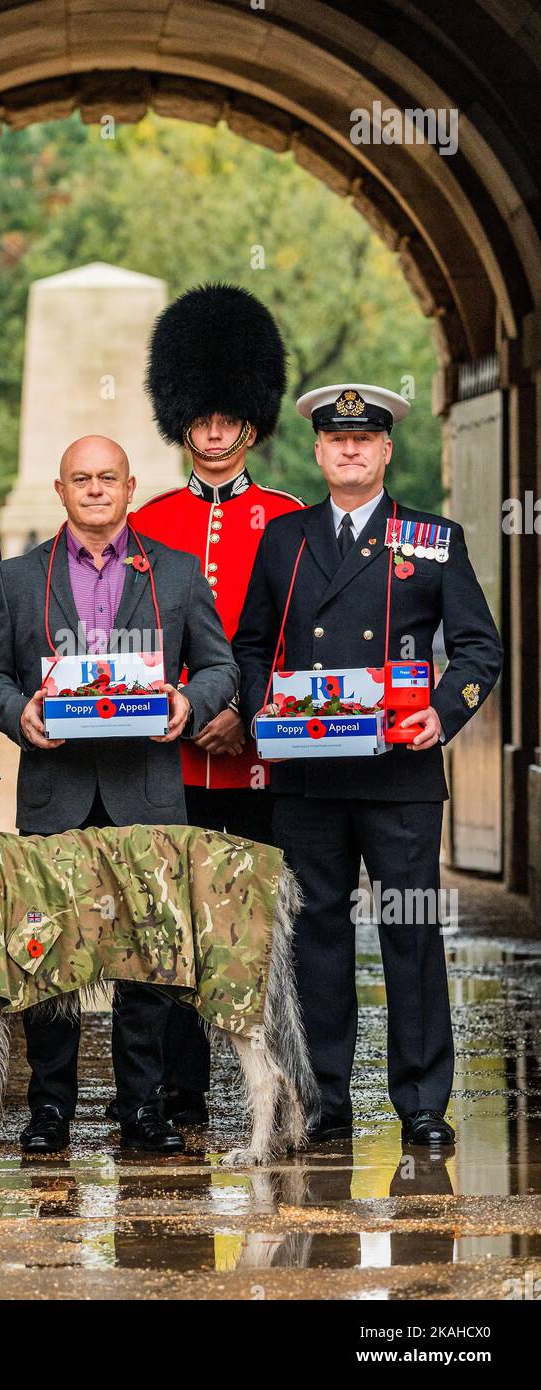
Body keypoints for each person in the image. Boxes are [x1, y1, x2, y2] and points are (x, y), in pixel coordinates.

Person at [233, 384, 503, 1147]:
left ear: (386, 451)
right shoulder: (284, 539)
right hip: (308, 776)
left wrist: (443, 712)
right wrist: (260, 709)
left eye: (365, 439)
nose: (350, 450)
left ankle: (421, 1103)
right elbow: (252, 646)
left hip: (399, 774)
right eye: (336, 440)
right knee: (315, 936)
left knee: (411, 933)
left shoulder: (432, 537)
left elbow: (480, 648)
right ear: (319, 452)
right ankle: (324, 1102)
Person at [0, 434, 239, 1155]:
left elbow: (221, 666)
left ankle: (142, 1106)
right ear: (59, 490)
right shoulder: (22, 578)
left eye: (107, 478)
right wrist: (19, 713)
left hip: (146, 793)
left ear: (129, 488)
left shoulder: (176, 575)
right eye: (80, 479)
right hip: (55, 793)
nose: (94, 489)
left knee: (148, 959)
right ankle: (50, 1107)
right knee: (44, 953)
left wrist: (188, 704)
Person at [130, 283, 302, 1125]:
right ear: (183, 420)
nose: (213, 431)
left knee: (258, 929)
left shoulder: (290, 520)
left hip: (262, 757)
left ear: (250, 423)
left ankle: (272, 1085)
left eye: (228, 417)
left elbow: (299, 641)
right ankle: (181, 1087)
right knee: (175, 926)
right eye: (200, 417)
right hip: (173, 754)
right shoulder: (147, 522)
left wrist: (250, 710)